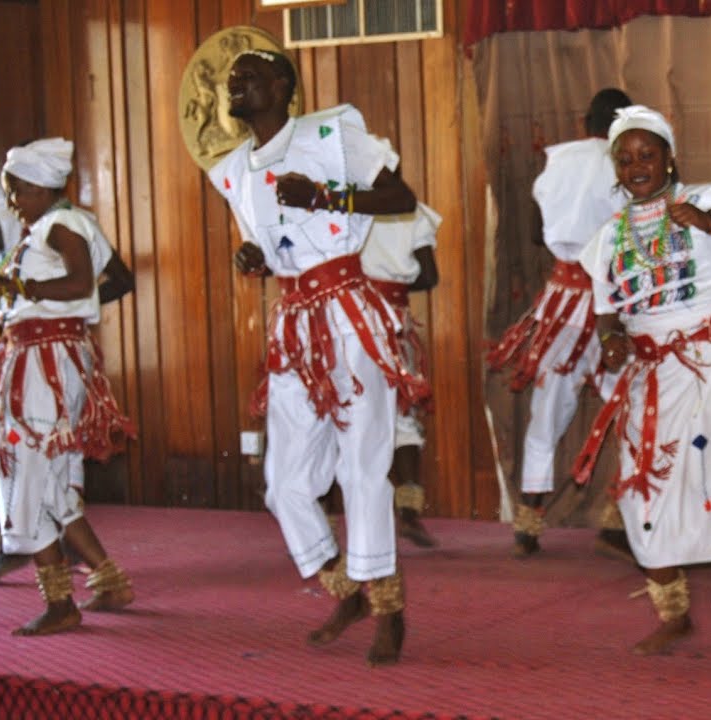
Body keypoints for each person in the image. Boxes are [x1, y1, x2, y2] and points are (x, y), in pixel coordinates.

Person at [210, 48, 425, 666]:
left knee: (362, 466)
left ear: (282, 84)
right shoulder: (232, 170)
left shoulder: (331, 134)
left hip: (350, 315)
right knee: (284, 484)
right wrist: (250, 257)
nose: (235, 84)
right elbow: (266, 241)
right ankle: (343, 582)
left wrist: (329, 197)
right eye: (232, 80)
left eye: (247, 75)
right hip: (295, 325)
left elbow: (400, 197)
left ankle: (388, 607)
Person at [573, 105, 711, 679]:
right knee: (639, 501)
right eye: (625, 158)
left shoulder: (710, 198)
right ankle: (674, 615)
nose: (636, 165)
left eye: (647, 154)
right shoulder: (607, 237)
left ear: (669, 156)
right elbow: (606, 313)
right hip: (653, 377)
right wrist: (613, 339)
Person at [0, 138, 137, 635]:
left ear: (43, 187)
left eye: (18, 190)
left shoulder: (63, 225)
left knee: (25, 476)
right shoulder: (47, 227)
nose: (13, 200)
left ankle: (61, 603)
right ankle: (109, 582)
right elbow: (93, 288)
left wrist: (30, 296)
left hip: (44, 364)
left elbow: (82, 285)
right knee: (52, 483)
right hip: (45, 359)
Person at [486, 88, 634, 561]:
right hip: (615, 300)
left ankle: (528, 524)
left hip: (563, 298)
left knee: (547, 408)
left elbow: (534, 231)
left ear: (582, 120)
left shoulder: (558, 162)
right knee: (630, 406)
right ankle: (621, 520)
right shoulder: (629, 162)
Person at [360, 203, 441, 547]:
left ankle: (329, 521)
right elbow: (429, 276)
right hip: (394, 321)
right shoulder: (414, 211)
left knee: (343, 415)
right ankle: (408, 512)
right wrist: (395, 279)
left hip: (353, 318)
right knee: (402, 414)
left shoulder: (346, 205)